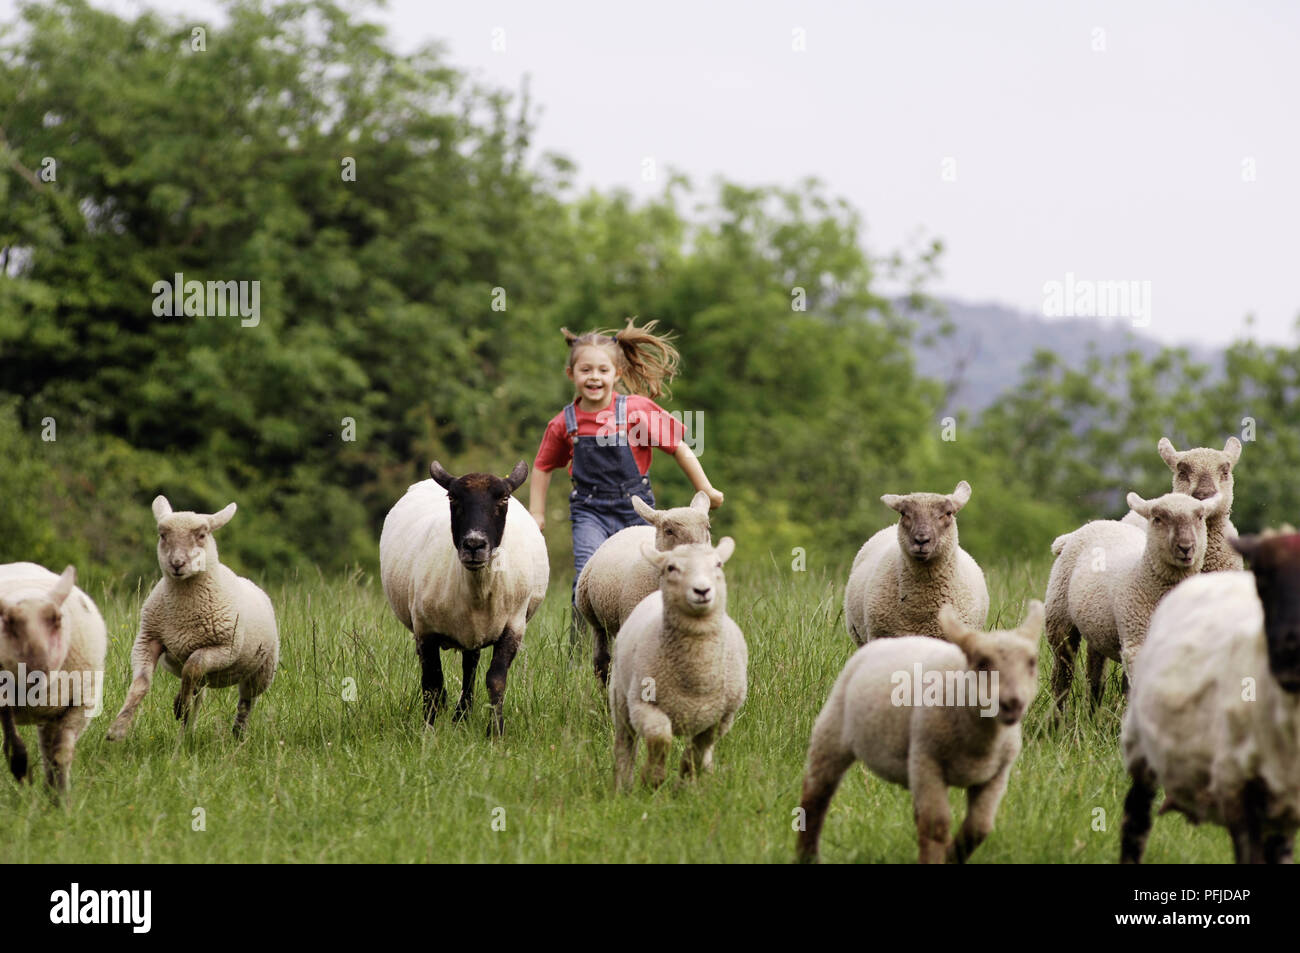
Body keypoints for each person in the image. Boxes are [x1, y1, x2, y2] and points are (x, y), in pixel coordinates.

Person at [529, 319, 723, 621]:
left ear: (617, 373)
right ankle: (583, 652)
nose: (594, 377)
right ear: (571, 374)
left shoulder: (635, 410)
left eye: (603, 370)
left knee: (650, 573)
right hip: (588, 511)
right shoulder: (564, 423)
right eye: (586, 370)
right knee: (586, 576)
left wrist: (706, 489)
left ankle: (652, 636)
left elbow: (678, 447)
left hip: (637, 509)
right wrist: (537, 513)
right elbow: (542, 467)